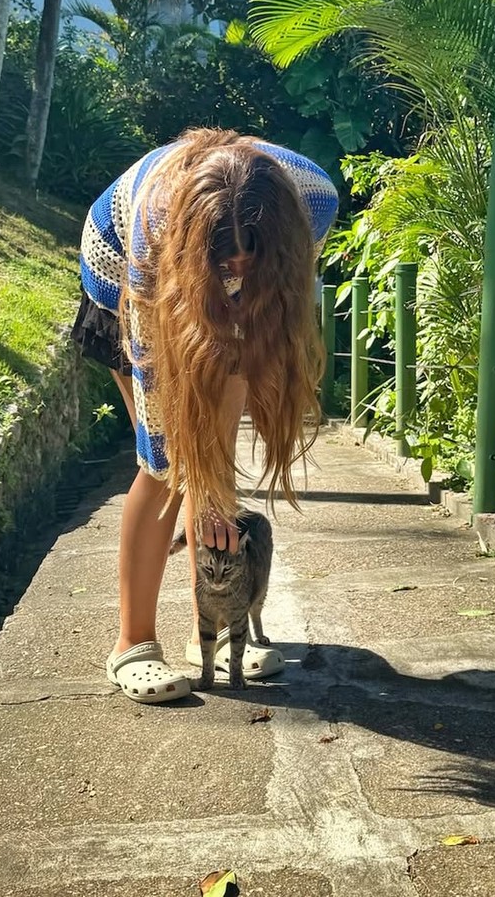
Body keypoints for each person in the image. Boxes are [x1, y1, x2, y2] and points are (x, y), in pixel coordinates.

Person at [72, 128, 339, 703]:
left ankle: (211, 634)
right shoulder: (151, 231)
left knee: (215, 456)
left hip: (214, 272)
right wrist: (197, 477)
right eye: (227, 258)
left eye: (251, 254)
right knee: (167, 466)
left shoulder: (313, 200)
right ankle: (132, 644)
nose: (238, 267)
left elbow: (269, 322)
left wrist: (214, 479)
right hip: (129, 276)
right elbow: (162, 408)